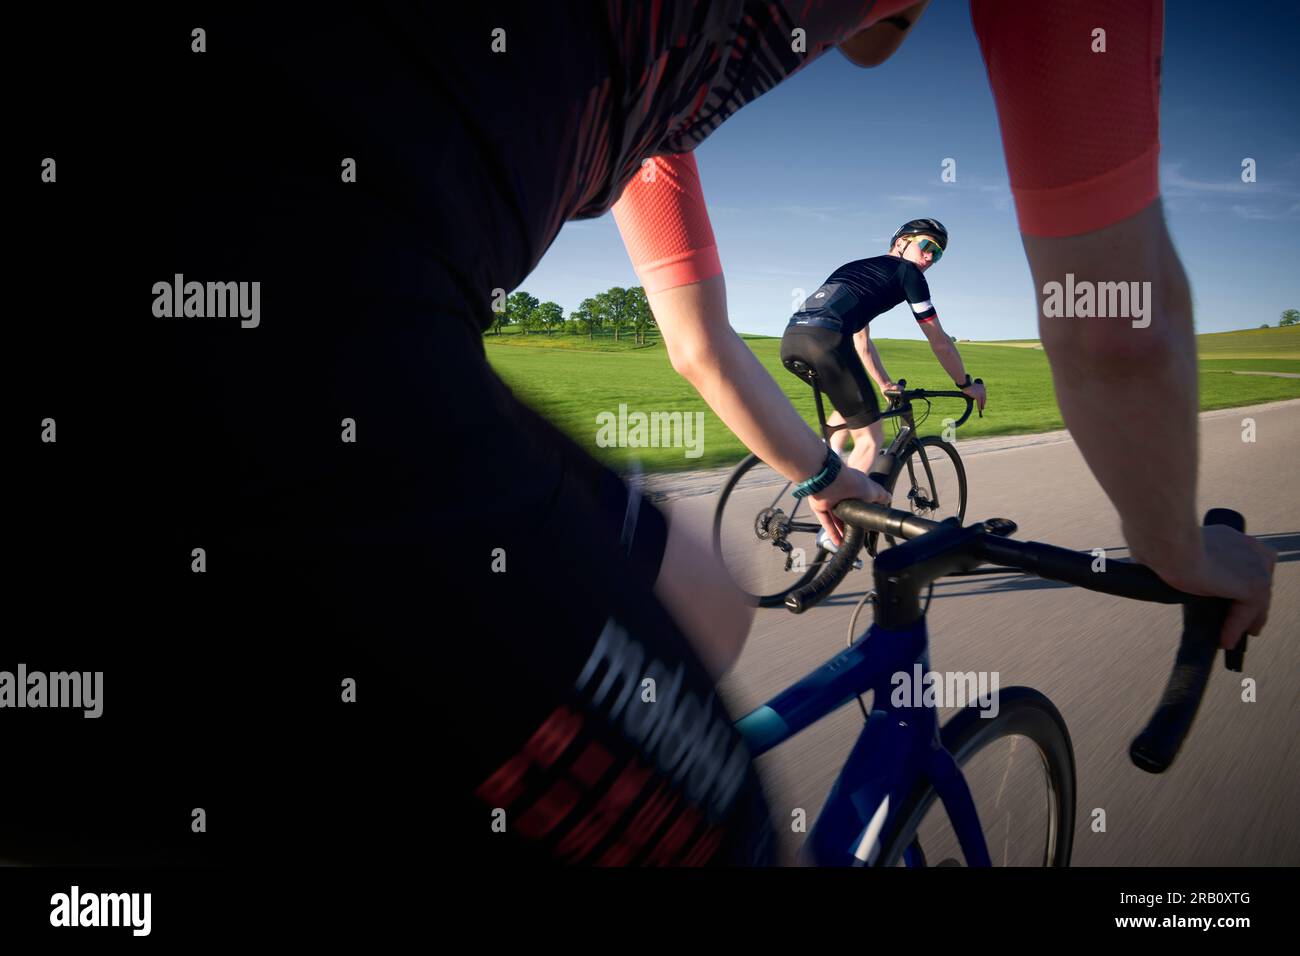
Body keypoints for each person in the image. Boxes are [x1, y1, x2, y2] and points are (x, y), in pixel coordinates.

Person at [13, 0, 1273, 868]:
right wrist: (1179, 547)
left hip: (278, 278)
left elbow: (698, 347)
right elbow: (1112, 328)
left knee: (701, 602)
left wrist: (826, 473)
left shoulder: (656, 93)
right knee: (706, 819)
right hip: (261, 316)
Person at [776, 217, 989, 557]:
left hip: (793, 340)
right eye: (927, 246)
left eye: (939, 254)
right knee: (871, 437)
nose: (932, 257)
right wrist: (965, 384)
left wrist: (884, 383)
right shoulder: (908, 274)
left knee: (849, 412)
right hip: (826, 342)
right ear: (902, 242)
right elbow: (939, 342)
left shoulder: (860, 269)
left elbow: (861, 343)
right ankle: (839, 530)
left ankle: (826, 465)